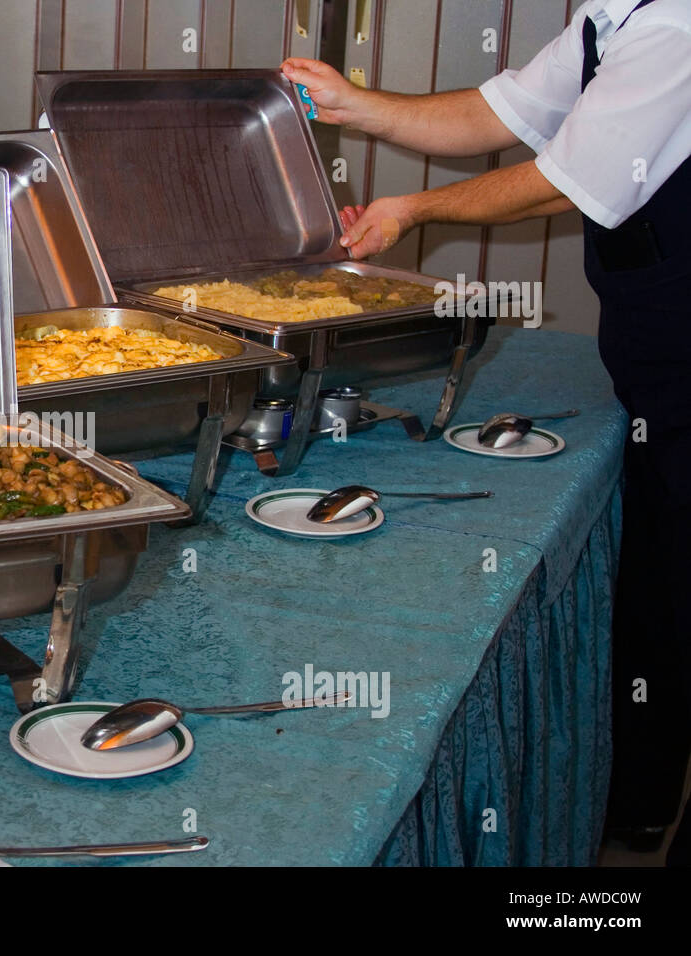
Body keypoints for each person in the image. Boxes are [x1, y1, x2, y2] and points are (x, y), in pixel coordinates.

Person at [282, 0, 691, 864]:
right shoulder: (611, 14)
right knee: (656, 569)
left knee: (677, 581)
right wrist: (358, 103)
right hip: (650, 337)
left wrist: (412, 210)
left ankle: (644, 811)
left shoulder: (678, 29)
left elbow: (564, 175)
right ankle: (637, 798)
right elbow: (498, 111)